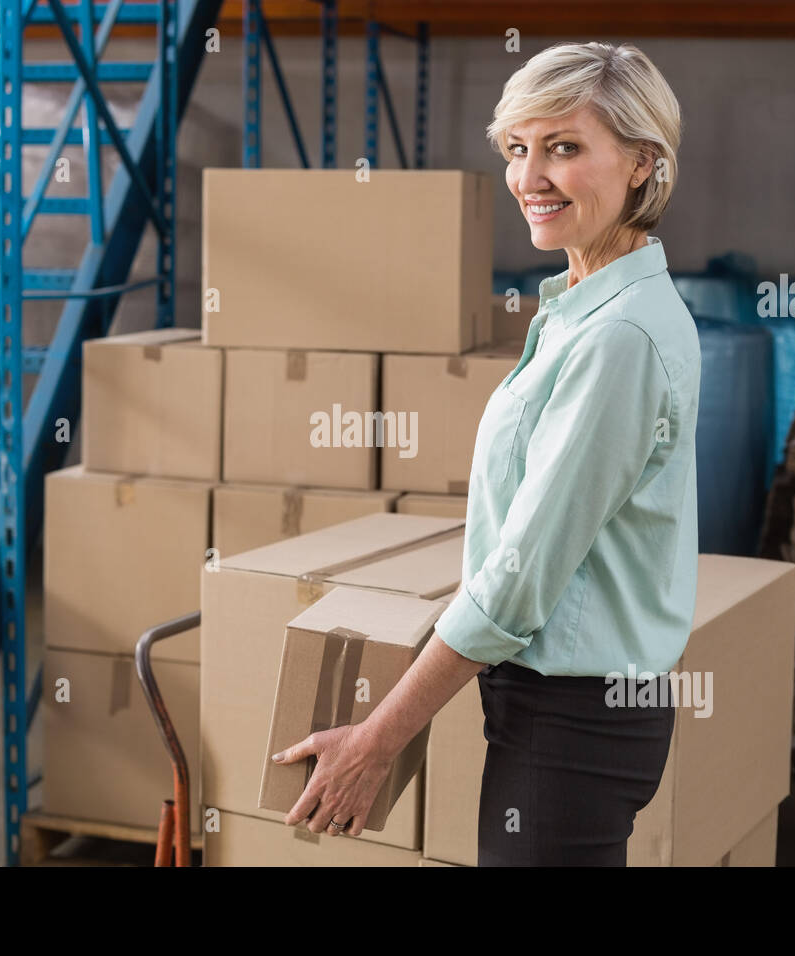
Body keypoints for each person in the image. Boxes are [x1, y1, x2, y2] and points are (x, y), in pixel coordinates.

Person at [273, 40, 701, 866]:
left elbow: (521, 580)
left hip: (574, 722)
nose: (529, 177)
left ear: (644, 164)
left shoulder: (619, 338)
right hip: (558, 712)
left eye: (564, 148)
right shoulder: (582, 309)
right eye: (518, 148)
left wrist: (376, 738)